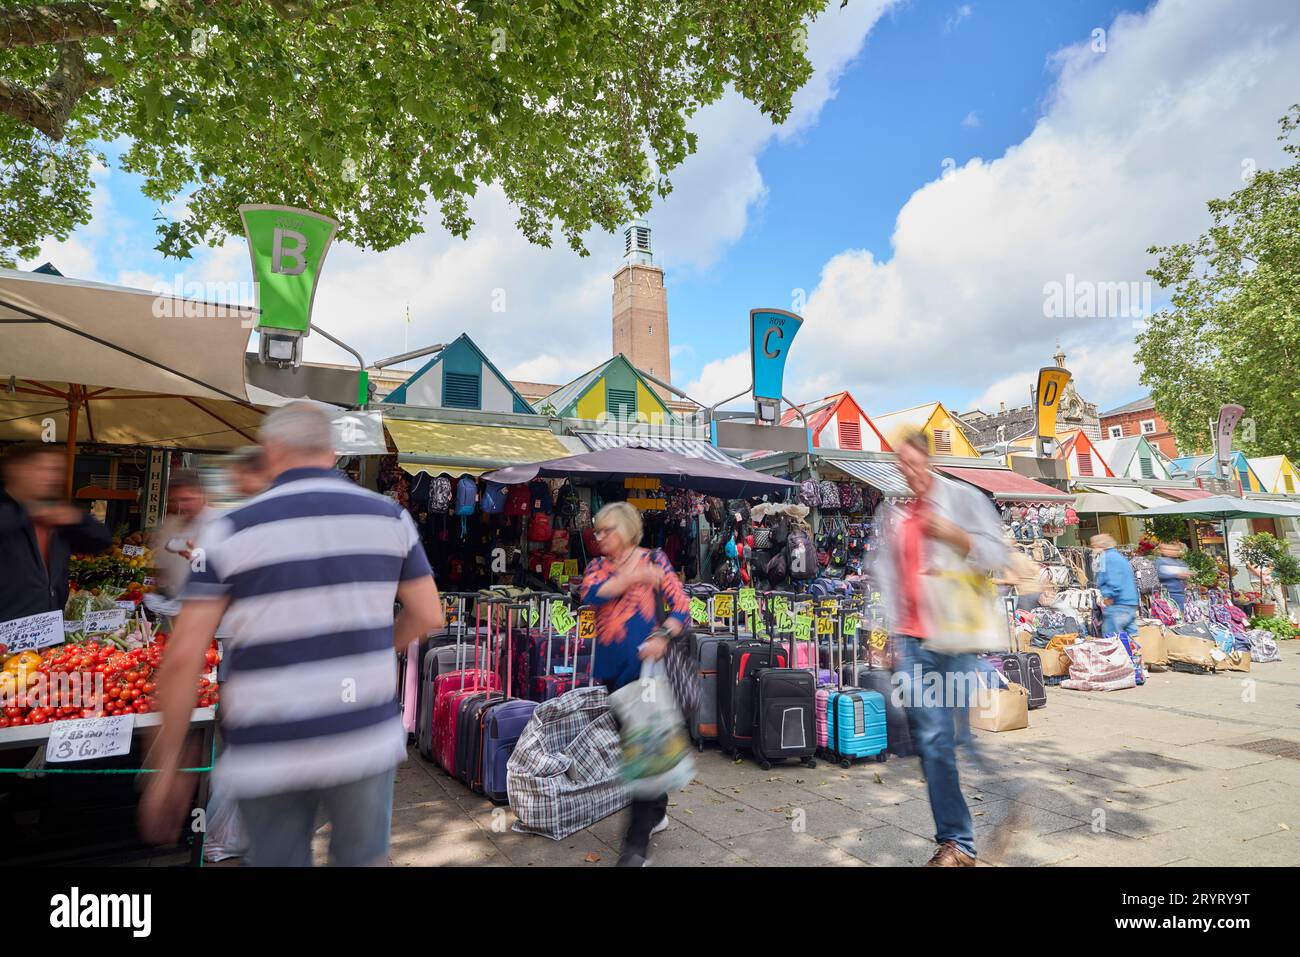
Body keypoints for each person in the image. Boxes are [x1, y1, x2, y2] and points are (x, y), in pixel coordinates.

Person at [139, 401, 444, 866]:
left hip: (268, 744)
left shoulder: (229, 530)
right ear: (331, 451)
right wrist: (371, 649)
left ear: (272, 450)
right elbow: (427, 615)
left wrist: (165, 770)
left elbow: (183, 655)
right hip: (361, 736)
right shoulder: (387, 517)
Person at [870, 427, 1007, 868]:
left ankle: (1002, 797)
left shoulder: (963, 498)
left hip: (956, 636)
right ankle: (957, 843)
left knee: (953, 736)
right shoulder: (894, 515)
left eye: (915, 463)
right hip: (914, 641)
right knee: (931, 738)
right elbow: (888, 578)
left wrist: (953, 535)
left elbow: (995, 555)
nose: (909, 472)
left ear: (928, 460)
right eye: (901, 465)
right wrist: (889, 635)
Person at [580, 501, 690, 867]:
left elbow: (681, 609)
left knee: (642, 754)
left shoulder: (656, 559)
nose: (598, 537)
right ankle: (657, 810)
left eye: (605, 530)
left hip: (647, 676)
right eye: (596, 531)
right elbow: (590, 595)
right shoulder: (597, 567)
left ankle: (635, 847)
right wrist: (630, 579)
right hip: (613, 676)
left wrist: (662, 635)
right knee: (638, 745)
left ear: (626, 528)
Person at [0, 443, 110, 621]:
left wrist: (78, 519)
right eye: (43, 469)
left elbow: (101, 541)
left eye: (56, 470)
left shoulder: (58, 515)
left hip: (48, 629)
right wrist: (29, 512)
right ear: (18, 470)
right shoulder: (8, 511)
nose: (52, 477)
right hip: (6, 633)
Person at [150, 469, 215, 600]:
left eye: (186, 499)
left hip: (204, 605)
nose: (180, 506)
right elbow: (162, 566)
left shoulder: (217, 525)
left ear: (202, 495)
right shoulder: (169, 525)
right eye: (175, 500)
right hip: (171, 602)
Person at [1092, 533, 1139, 636]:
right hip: (1129, 603)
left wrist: (1108, 598)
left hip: (1118, 605)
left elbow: (1114, 582)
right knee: (1132, 638)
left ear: (1101, 546)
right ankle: (1137, 652)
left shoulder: (1108, 558)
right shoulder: (1118, 557)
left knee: (1112, 639)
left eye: (1094, 546)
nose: (1093, 549)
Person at [1154, 541, 1192, 613]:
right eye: (1170, 550)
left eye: (1176, 550)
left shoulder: (1181, 562)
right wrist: (1177, 575)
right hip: (1168, 595)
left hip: (1181, 594)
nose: (1173, 552)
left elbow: (1185, 574)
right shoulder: (1160, 561)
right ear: (1163, 550)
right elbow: (1159, 574)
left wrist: (1188, 575)